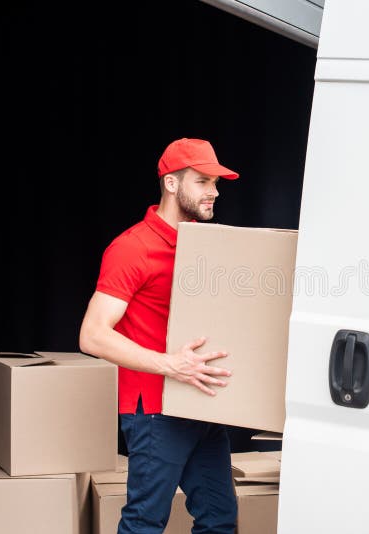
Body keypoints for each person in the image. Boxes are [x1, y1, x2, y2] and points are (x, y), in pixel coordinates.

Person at [79, 137, 239, 533]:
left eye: (215, 183)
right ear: (171, 183)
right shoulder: (132, 248)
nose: (214, 191)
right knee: (145, 523)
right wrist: (171, 365)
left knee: (220, 519)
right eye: (202, 181)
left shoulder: (205, 246)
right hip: (154, 410)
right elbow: (92, 335)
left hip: (200, 402)